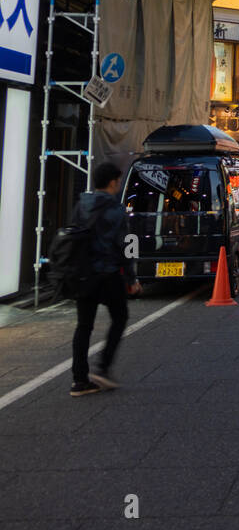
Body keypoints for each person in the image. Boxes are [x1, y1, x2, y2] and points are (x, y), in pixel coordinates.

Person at [69, 161, 141, 396]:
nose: (119, 185)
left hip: (83, 274)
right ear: (112, 182)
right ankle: (103, 367)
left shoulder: (81, 204)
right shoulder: (116, 209)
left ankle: (79, 380)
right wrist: (132, 278)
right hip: (108, 274)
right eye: (119, 181)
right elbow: (128, 245)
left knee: (84, 326)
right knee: (120, 317)